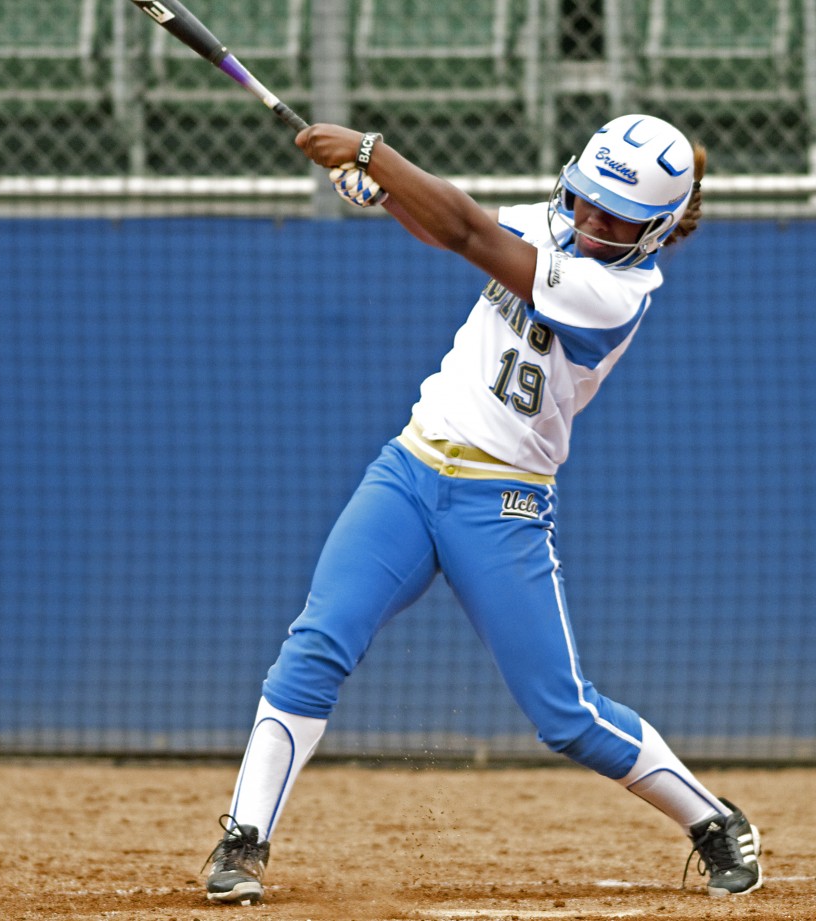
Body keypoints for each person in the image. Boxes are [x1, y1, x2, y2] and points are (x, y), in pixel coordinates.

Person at [201, 114, 762, 904]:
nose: (591, 224)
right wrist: (387, 195)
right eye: (586, 203)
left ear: (656, 233)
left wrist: (375, 155)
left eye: (616, 220)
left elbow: (468, 233)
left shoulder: (617, 293)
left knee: (563, 714)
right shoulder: (553, 220)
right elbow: (449, 225)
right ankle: (243, 840)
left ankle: (712, 820)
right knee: (317, 642)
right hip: (411, 466)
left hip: (501, 501)